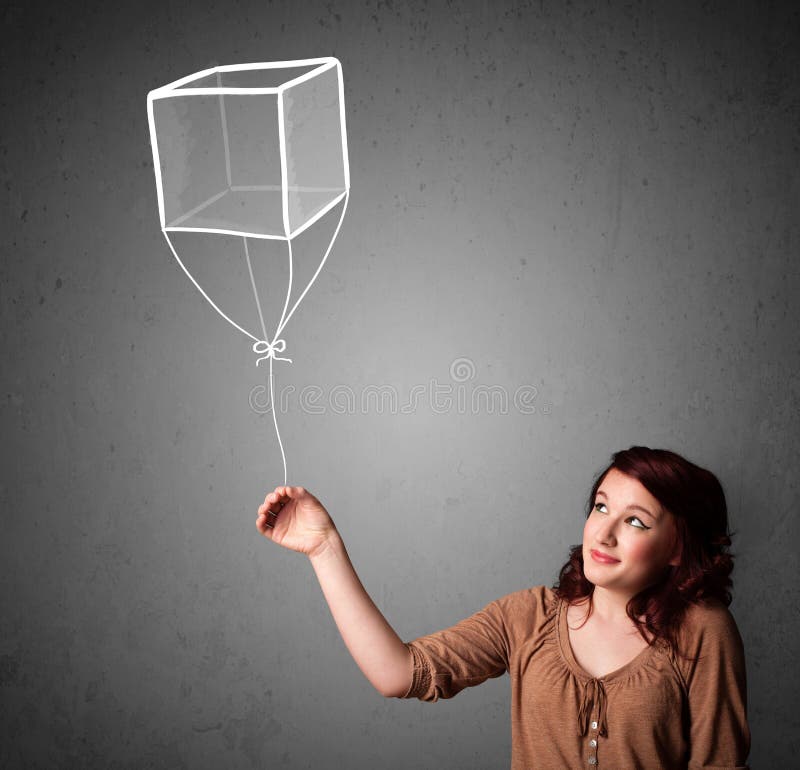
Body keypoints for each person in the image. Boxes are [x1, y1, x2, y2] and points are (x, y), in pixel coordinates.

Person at [255, 446, 751, 769]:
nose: (604, 532)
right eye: (600, 506)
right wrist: (325, 548)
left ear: (679, 548)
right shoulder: (527, 616)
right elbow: (400, 673)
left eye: (637, 521)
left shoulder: (704, 631)